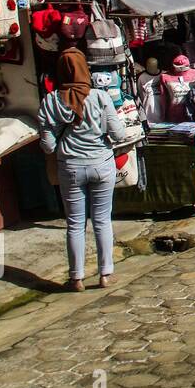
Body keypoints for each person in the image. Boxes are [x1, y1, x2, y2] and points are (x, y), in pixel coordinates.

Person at [38, 46, 124, 291]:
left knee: (75, 223)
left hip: (71, 167)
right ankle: (105, 274)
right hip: (102, 165)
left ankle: (76, 278)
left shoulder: (51, 101)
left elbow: (47, 145)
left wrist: (63, 142)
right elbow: (117, 133)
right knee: (102, 220)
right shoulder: (100, 97)